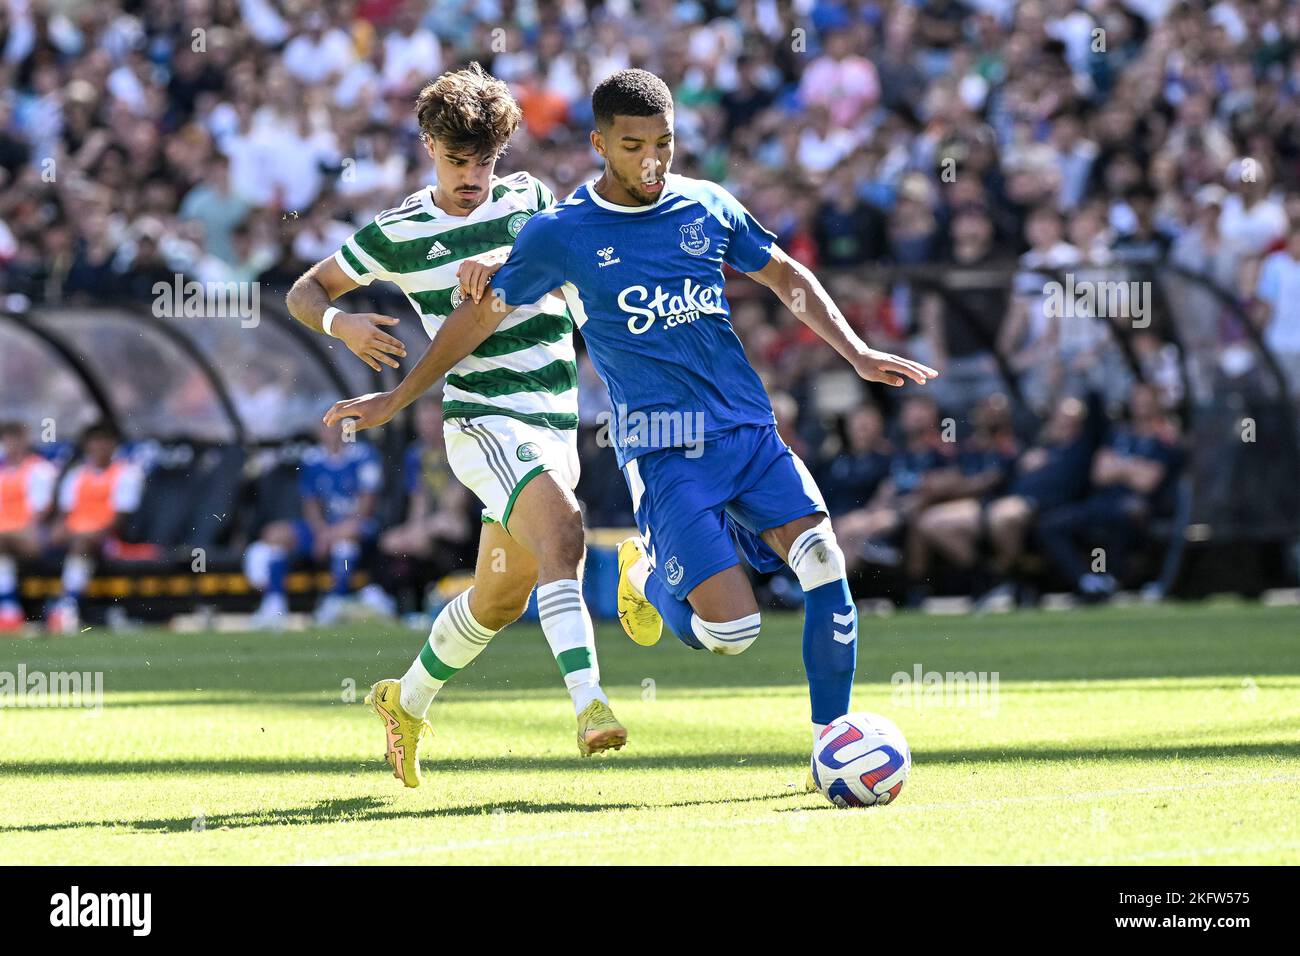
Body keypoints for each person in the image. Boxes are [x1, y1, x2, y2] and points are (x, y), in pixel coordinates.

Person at [324, 69, 937, 783]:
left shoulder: (707, 206)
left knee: (824, 563)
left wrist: (856, 352)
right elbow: (476, 317)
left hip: (749, 433)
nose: (652, 161)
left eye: (665, 144)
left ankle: (831, 742)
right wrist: (398, 397)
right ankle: (640, 589)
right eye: (634, 145)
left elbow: (787, 278)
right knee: (732, 633)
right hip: (664, 451)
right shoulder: (565, 232)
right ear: (600, 145)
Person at [287, 63, 625, 786]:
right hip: (483, 419)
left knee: (500, 598)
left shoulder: (528, 197)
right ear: (428, 147)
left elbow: (566, 252)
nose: (472, 176)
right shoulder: (400, 232)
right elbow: (305, 290)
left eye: (485, 160)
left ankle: (404, 703)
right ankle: (590, 703)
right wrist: (340, 320)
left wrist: (509, 257)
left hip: (555, 417)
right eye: (457, 159)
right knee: (565, 531)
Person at [1035, 385, 1182, 600]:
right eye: (1137, 400)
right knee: (1051, 525)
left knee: (1120, 518)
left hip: (1136, 508)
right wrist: (1134, 467)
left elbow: (1146, 482)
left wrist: (1119, 466)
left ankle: (1109, 576)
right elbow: (1099, 474)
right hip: (1102, 502)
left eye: (1146, 400)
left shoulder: (1165, 439)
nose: (1140, 405)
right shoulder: (1118, 435)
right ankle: (1087, 580)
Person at [243, 421, 388, 628]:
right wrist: (321, 531)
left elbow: (366, 504)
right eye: (327, 426)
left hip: (358, 524)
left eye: (337, 425)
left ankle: (336, 600)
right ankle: (274, 604)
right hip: (324, 528)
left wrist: (332, 534)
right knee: (274, 534)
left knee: (347, 537)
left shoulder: (364, 456)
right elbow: (310, 504)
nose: (332, 431)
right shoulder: (313, 459)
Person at [47, 422, 144, 635]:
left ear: (113, 445)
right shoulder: (77, 475)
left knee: (82, 543)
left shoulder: (126, 474)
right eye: (95, 442)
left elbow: (120, 520)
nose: (99, 447)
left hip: (109, 540)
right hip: (76, 536)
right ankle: (10, 610)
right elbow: (65, 513)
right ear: (87, 446)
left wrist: (89, 534)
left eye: (104, 442)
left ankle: (67, 607)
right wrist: (59, 530)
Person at [0, 422, 57, 633]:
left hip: (31, 534)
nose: (10, 445)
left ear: (25, 441)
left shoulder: (40, 469)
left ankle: (9, 609)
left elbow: (39, 512)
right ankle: (9, 610)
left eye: (15, 439)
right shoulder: (2, 472)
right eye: (6, 440)